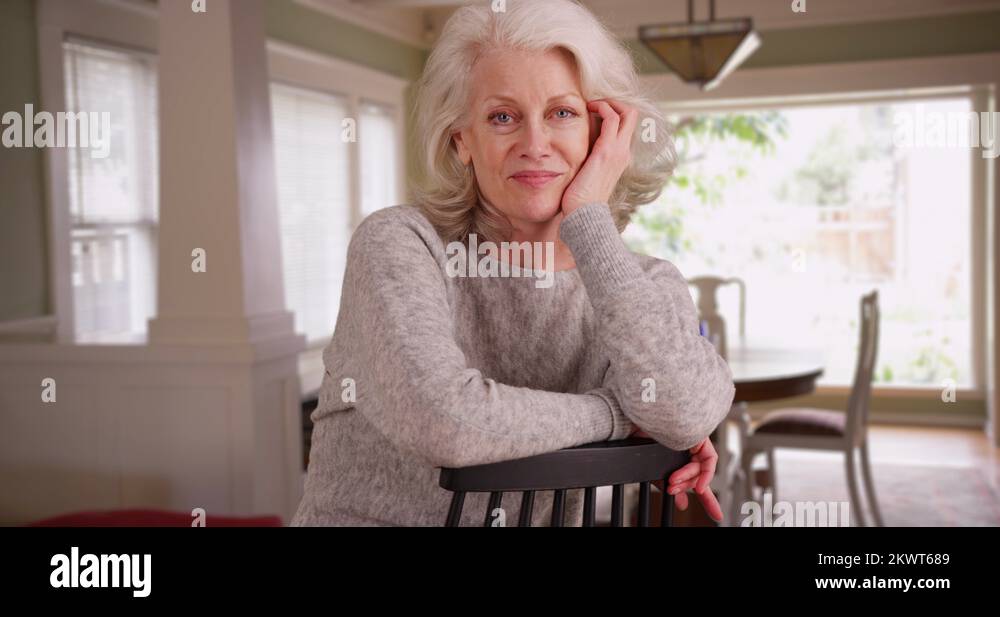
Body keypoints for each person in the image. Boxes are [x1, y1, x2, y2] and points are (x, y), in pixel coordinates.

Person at [291, 0, 736, 526]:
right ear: (463, 140)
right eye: (503, 117)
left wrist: (589, 218)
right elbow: (444, 421)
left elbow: (686, 413)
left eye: (562, 113)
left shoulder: (642, 283)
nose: (534, 144)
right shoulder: (400, 245)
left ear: (604, 134)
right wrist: (616, 413)